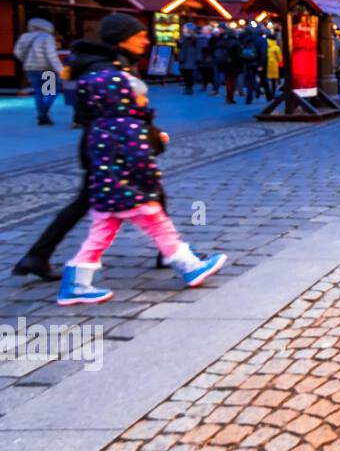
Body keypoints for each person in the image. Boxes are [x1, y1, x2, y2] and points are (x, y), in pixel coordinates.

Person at [57, 18, 226, 304]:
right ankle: (190, 266)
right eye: (142, 98)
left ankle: (75, 281)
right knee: (159, 225)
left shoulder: (100, 124)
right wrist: (150, 183)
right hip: (131, 189)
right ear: (126, 97)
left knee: (99, 235)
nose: (146, 102)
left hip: (106, 190)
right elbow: (139, 158)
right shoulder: (128, 125)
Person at [12, 14, 154, 281]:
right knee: (148, 192)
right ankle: (176, 255)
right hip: (111, 146)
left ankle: (37, 256)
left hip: (102, 142)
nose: (146, 40)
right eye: (139, 36)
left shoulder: (111, 63)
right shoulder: (108, 68)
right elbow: (122, 112)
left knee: (88, 199)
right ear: (122, 38)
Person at [13, 17, 63, 126]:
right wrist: (60, 70)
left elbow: (17, 52)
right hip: (46, 69)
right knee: (52, 91)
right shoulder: (47, 37)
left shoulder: (24, 37)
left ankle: (42, 114)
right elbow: (51, 55)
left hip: (30, 68)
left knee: (38, 92)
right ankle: (44, 113)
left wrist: (26, 61)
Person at [213, 25, 242, 104]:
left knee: (227, 80)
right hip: (233, 64)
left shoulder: (221, 41)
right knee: (231, 81)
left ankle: (229, 96)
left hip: (223, 63)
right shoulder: (235, 42)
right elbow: (238, 54)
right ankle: (230, 97)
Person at [177, 23, 200, 95]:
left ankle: (189, 87)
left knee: (188, 72)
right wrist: (178, 43)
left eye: (184, 28)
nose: (183, 29)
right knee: (183, 71)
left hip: (190, 56)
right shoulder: (183, 37)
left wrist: (197, 58)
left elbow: (197, 48)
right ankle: (187, 86)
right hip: (183, 56)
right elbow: (180, 47)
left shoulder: (194, 38)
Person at [265, 25, 284, 99]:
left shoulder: (265, 45)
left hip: (266, 64)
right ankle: (273, 92)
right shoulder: (276, 47)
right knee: (273, 80)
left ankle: (268, 92)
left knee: (266, 79)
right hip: (274, 64)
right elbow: (279, 57)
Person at [197, 24, 217, 94]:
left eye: (205, 30)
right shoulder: (199, 38)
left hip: (210, 57)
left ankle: (214, 86)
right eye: (203, 29)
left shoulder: (213, 38)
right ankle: (204, 85)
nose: (203, 31)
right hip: (202, 57)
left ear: (209, 31)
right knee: (204, 72)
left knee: (211, 72)